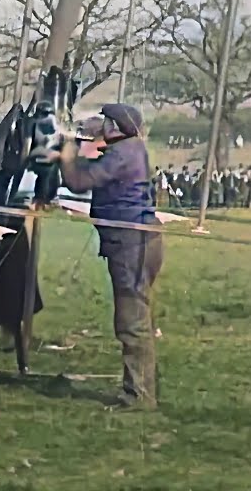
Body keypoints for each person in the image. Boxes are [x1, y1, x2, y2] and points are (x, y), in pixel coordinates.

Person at [45, 103, 164, 410]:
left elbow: (79, 182)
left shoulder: (123, 153)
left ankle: (139, 397)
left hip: (130, 243)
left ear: (114, 126)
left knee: (132, 320)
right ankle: (141, 389)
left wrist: (67, 154)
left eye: (104, 122)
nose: (99, 127)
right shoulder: (130, 149)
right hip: (139, 240)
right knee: (138, 318)